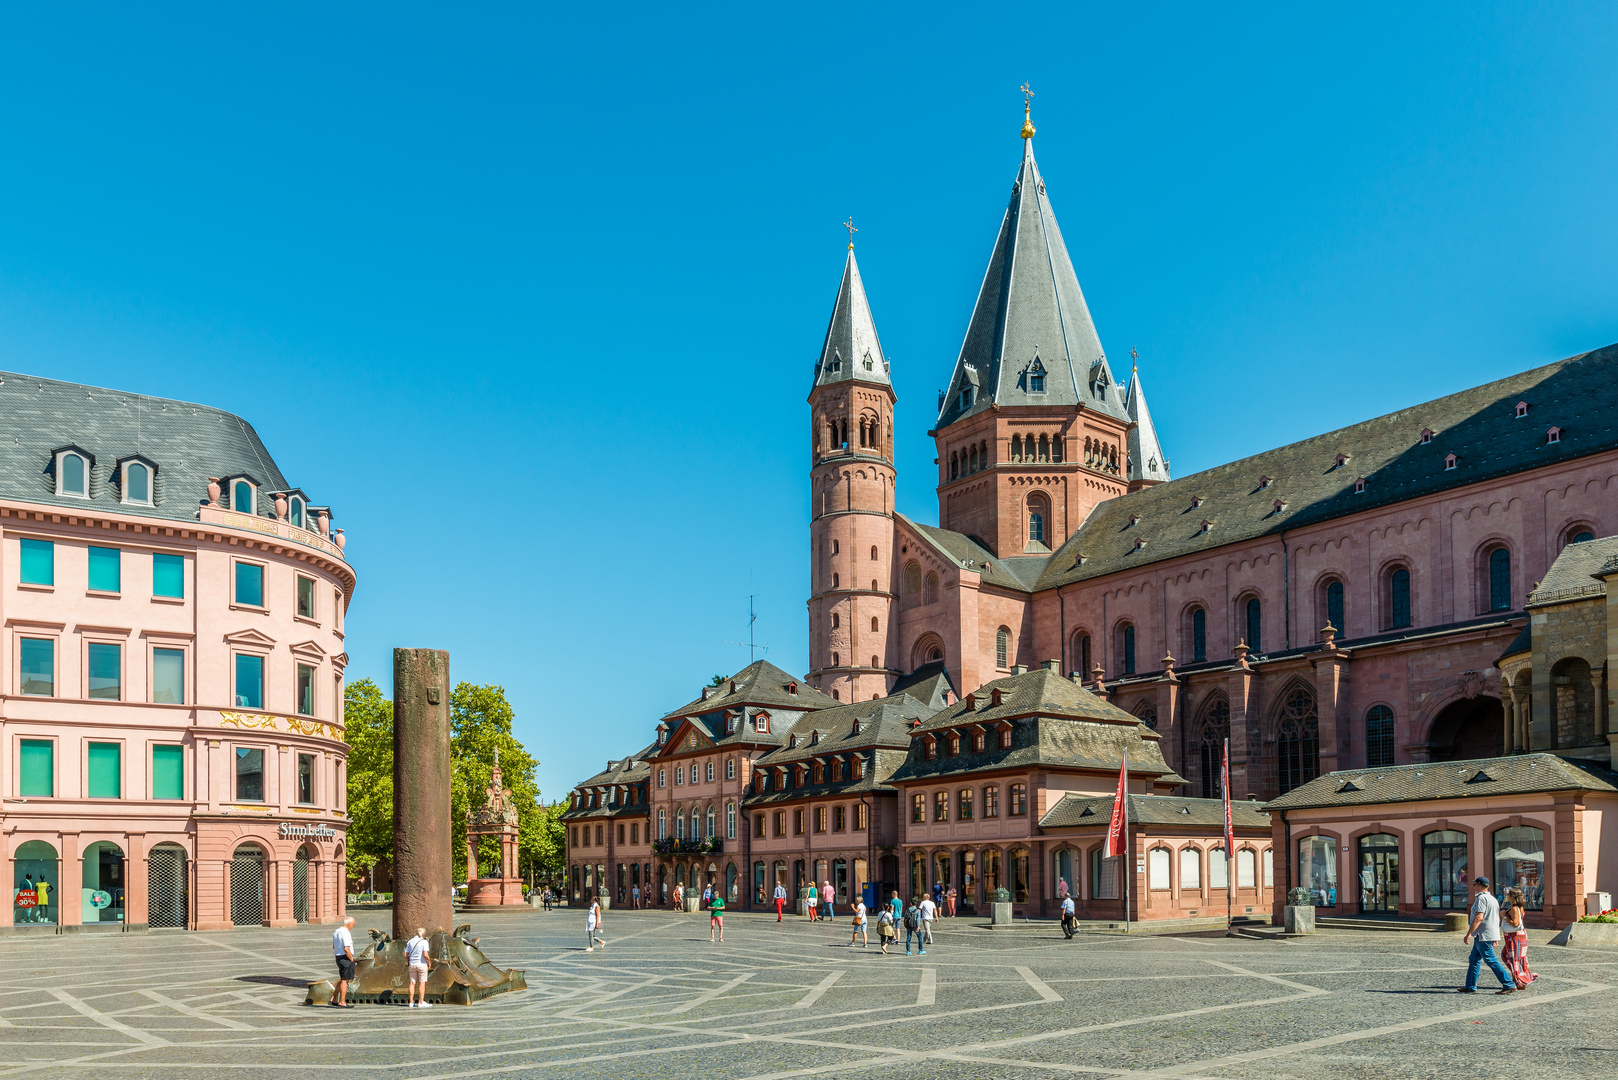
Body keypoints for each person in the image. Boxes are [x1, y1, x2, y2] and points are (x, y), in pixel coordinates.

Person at [1461, 876, 1514, 994]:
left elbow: (1479, 917)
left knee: (1490, 960)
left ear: (1480, 885)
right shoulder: (1493, 899)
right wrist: (1496, 936)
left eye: (1475, 884)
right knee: (1474, 959)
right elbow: (1496, 919)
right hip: (1487, 934)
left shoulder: (1481, 899)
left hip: (1483, 935)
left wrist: (1469, 933)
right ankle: (1470, 985)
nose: (1474, 886)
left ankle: (1509, 983)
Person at [1500, 886, 1536, 987]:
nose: (1507, 896)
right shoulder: (1520, 907)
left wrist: (1504, 916)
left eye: (1508, 895)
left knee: (1513, 959)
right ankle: (1520, 979)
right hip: (1520, 936)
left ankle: (1519, 981)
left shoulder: (1515, 908)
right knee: (1515, 958)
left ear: (1512, 897)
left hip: (1514, 937)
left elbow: (1515, 924)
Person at [403, 926, 435, 1008]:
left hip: (412, 964)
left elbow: (405, 954)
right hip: (422, 964)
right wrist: (429, 962)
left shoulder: (410, 941)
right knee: (422, 983)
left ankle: (410, 1002)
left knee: (412, 983)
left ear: (416, 933)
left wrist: (409, 959)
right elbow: (425, 955)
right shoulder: (424, 942)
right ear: (423, 934)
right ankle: (420, 1002)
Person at [330, 916, 356, 1008]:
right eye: (353, 924)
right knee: (345, 981)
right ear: (349, 924)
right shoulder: (346, 933)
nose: (353, 926)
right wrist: (352, 959)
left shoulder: (336, 932)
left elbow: (334, 946)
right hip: (346, 958)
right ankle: (342, 1002)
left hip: (338, 957)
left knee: (342, 979)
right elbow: (346, 948)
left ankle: (333, 998)